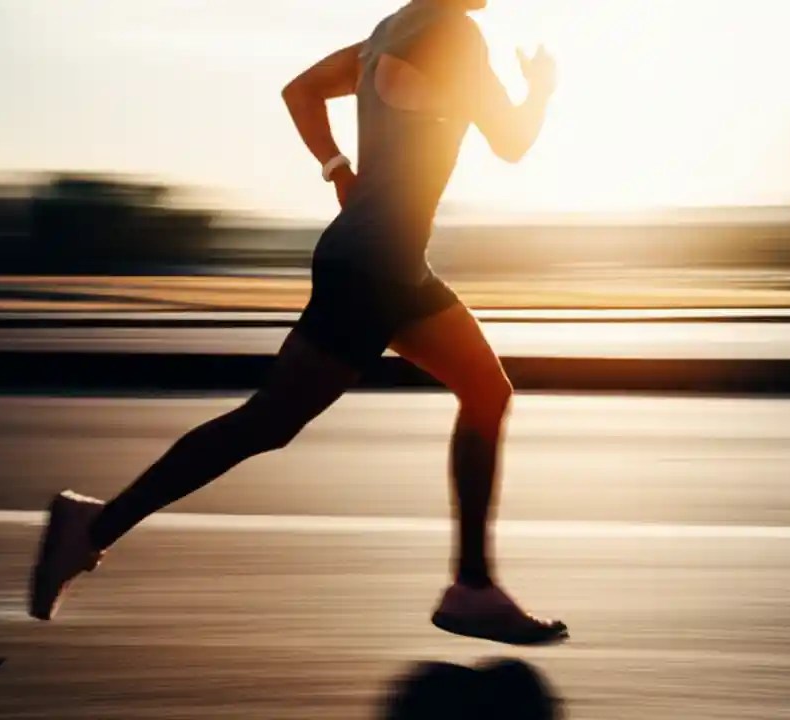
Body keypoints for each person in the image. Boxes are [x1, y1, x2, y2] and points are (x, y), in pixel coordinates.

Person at [31, 0, 566, 645]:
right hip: (372, 270)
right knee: (267, 422)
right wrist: (538, 91)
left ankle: (472, 587)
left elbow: (301, 90)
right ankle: (90, 530)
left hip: (391, 267)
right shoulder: (455, 33)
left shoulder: (389, 32)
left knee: (484, 391)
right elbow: (511, 142)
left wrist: (338, 169)